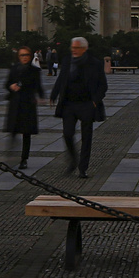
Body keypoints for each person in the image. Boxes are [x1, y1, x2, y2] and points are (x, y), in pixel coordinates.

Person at [51, 37, 107, 177]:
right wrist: (54, 94)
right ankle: (73, 160)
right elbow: (61, 79)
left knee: (86, 137)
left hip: (86, 104)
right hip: (69, 104)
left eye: (76, 48)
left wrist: (95, 101)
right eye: (73, 47)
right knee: (67, 133)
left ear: (84, 49)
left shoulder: (94, 63)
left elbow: (103, 85)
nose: (73, 50)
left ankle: (83, 167)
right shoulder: (67, 60)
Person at [5, 46, 45, 168]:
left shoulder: (34, 70)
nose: (25, 57)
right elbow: (7, 83)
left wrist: (42, 96)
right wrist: (11, 86)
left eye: (27, 55)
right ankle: (12, 149)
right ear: (19, 57)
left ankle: (24, 158)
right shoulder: (14, 69)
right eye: (22, 55)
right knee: (13, 129)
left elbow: (38, 86)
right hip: (15, 103)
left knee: (26, 132)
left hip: (28, 104)